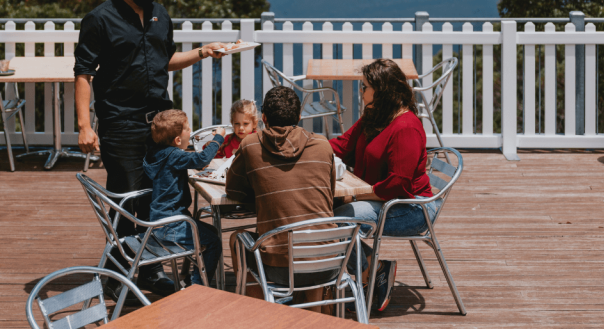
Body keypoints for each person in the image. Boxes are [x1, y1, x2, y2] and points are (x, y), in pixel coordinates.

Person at [74, 0, 229, 297]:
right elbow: (83, 73)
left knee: (168, 196)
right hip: (122, 125)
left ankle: (148, 272)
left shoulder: (159, 13)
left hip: (162, 125)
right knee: (129, 201)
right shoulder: (99, 19)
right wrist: (85, 126)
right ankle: (118, 278)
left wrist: (203, 52)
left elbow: (165, 60)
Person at [331, 58, 439, 313]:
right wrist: (307, 147)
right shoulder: (376, 113)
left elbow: (397, 184)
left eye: (364, 86)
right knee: (325, 214)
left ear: (381, 90)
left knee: (334, 223)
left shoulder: (406, 127)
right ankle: (372, 268)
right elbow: (344, 145)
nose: (361, 91)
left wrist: (355, 193)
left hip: (409, 208)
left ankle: (371, 267)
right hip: (383, 200)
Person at [225, 86, 336, 311]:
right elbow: (329, 193)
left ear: (263, 118)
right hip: (330, 263)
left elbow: (233, 192)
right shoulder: (324, 145)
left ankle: (263, 315)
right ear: (299, 117)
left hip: (279, 267)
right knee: (312, 241)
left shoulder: (250, 145)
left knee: (238, 240)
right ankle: (313, 315)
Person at [143, 110, 224, 287]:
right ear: (177, 140)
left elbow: (188, 160)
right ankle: (197, 287)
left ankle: (193, 277)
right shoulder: (174, 156)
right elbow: (202, 159)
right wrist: (218, 138)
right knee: (214, 242)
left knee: (212, 232)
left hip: (159, 221)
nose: (191, 131)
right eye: (188, 129)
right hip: (172, 224)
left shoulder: (158, 153)